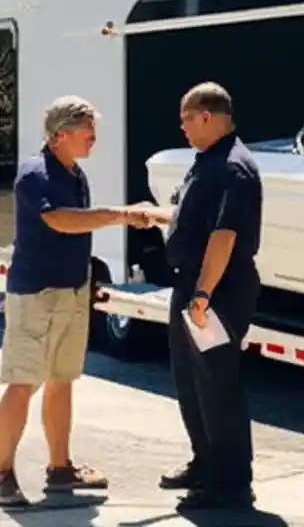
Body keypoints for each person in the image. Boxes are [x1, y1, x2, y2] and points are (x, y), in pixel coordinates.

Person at [0, 96, 152, 507]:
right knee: (22, 383)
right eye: (87, 131)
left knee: (62, 379)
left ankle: (60, 468)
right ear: (60, 135)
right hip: (36, 295)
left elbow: (76, 230)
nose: (94, 138)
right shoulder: (35, 174)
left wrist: (88, 286)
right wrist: (120, 214)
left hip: (71, 291)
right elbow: (61, 220)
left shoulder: (75, 173)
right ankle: (0, 472)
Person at [135, 82, 263, 510]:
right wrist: (156, 216)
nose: (182, 127)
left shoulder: (233, 168)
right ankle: (204, 462)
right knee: (190, 382)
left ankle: (230, 483)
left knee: (217, 385)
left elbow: (224, 237)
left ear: (207, 116)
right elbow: (192, 219)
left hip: (219, 289)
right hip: (192, 283)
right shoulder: (206, 161)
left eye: (186, 118)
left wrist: (204, 295)